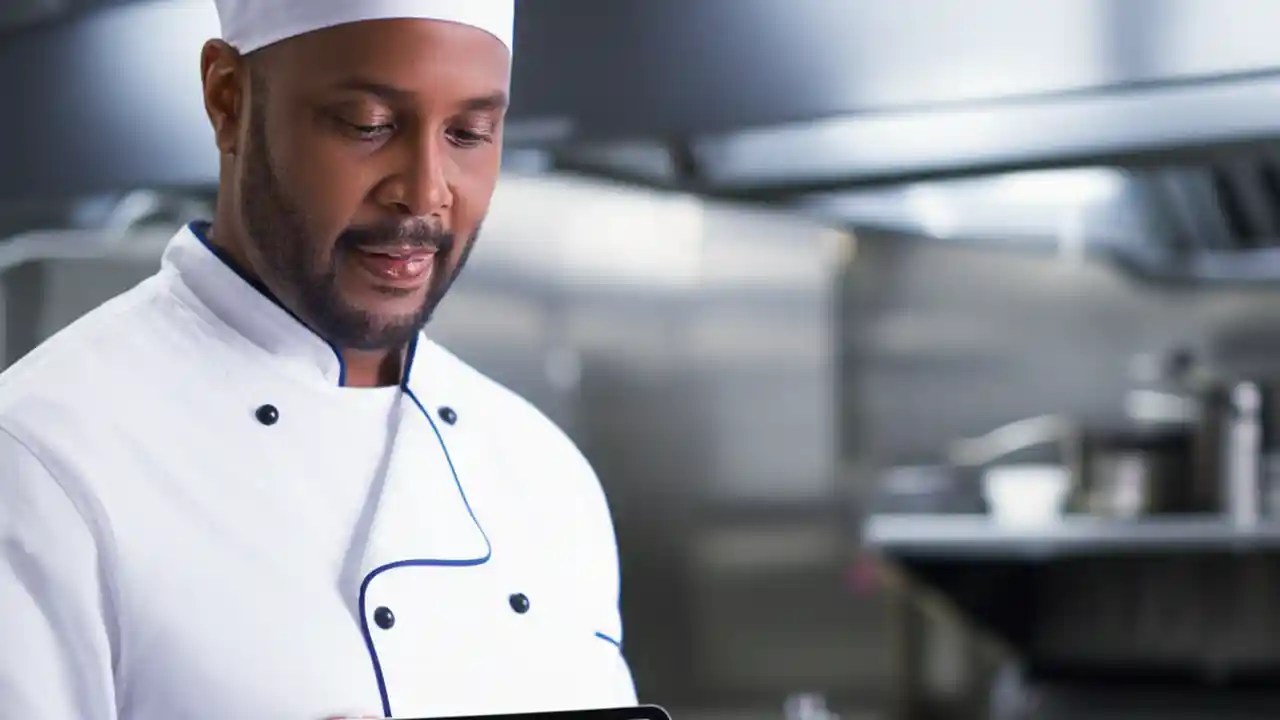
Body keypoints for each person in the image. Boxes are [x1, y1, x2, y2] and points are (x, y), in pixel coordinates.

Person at [0, 1, 638, 718]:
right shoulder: (42, 457)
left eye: (468, 134)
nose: (425, 192)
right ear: (228, 98)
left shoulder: (544, 475)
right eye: (368, 124)